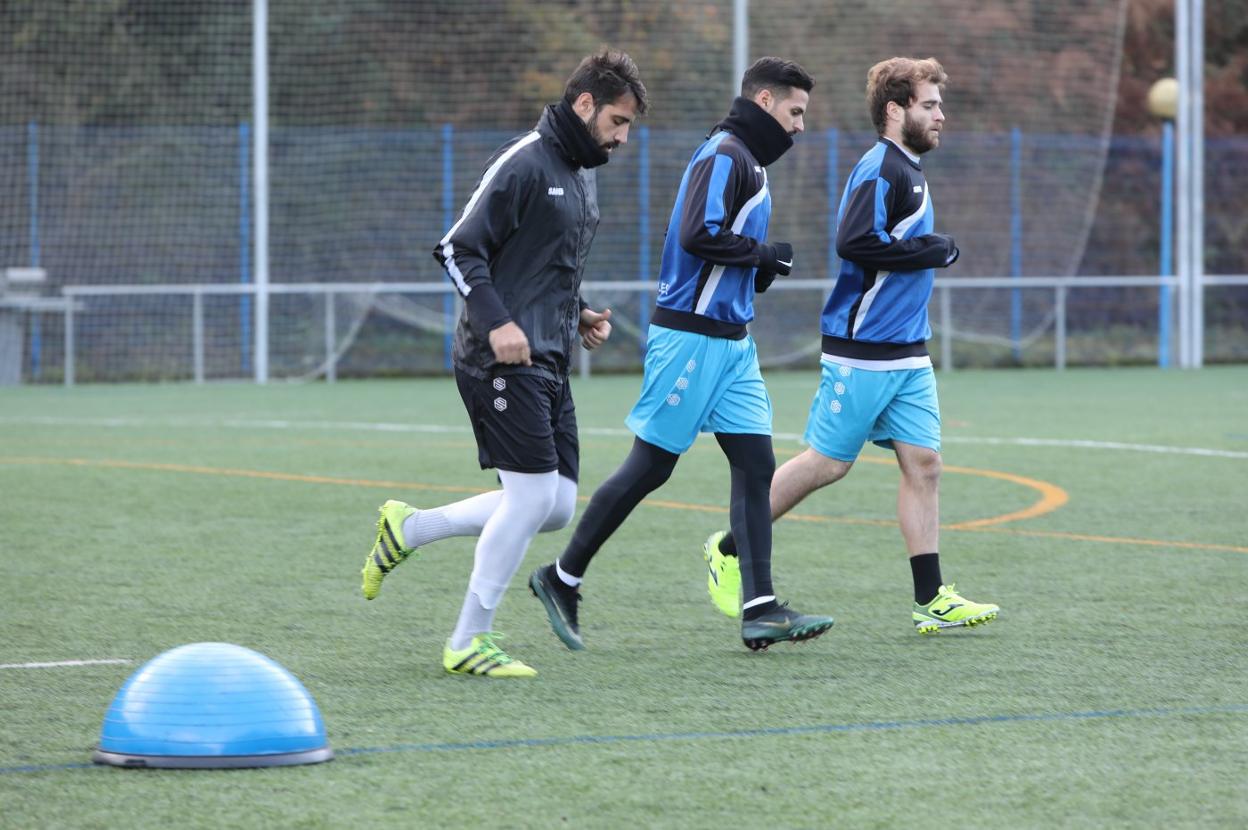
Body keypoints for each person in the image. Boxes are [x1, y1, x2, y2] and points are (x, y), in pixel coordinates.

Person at [529, 57, 835, 653]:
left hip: (733, 342)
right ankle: (561, 578)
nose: (801, 126)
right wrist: (764, 255)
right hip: (691, 338)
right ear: (765, 101)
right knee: (651, 466)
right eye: (795, 111)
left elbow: (723, 250)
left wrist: (761, 267)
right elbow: (698, 233)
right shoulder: (724, 154)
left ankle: (760, 606)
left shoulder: (750, 163)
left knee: (757, 465)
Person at [358, 50, 647, 678]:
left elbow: (545, 264)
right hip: (497, 358)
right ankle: (468, 640)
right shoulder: (525, 161)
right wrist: (499, 322)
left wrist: (579, 312)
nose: (623, 138)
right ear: (585, 104)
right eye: (618, 122)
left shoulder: (580, 173)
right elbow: (457, 249)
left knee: (556, 505)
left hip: (549, 357)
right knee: (531, 497)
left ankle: (410, 530)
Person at [701, 57, 999, 634]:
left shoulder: (910, 168)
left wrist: (928, 251)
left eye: (939, 104)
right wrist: (931, 249)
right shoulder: (879, 168)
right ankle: (729, 548)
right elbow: (854, 242)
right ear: (896, 110)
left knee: (925, 465)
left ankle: (931, 598)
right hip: (861, 350)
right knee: (828, 464)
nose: (941, 115)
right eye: (929, 104)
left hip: (909, 350)